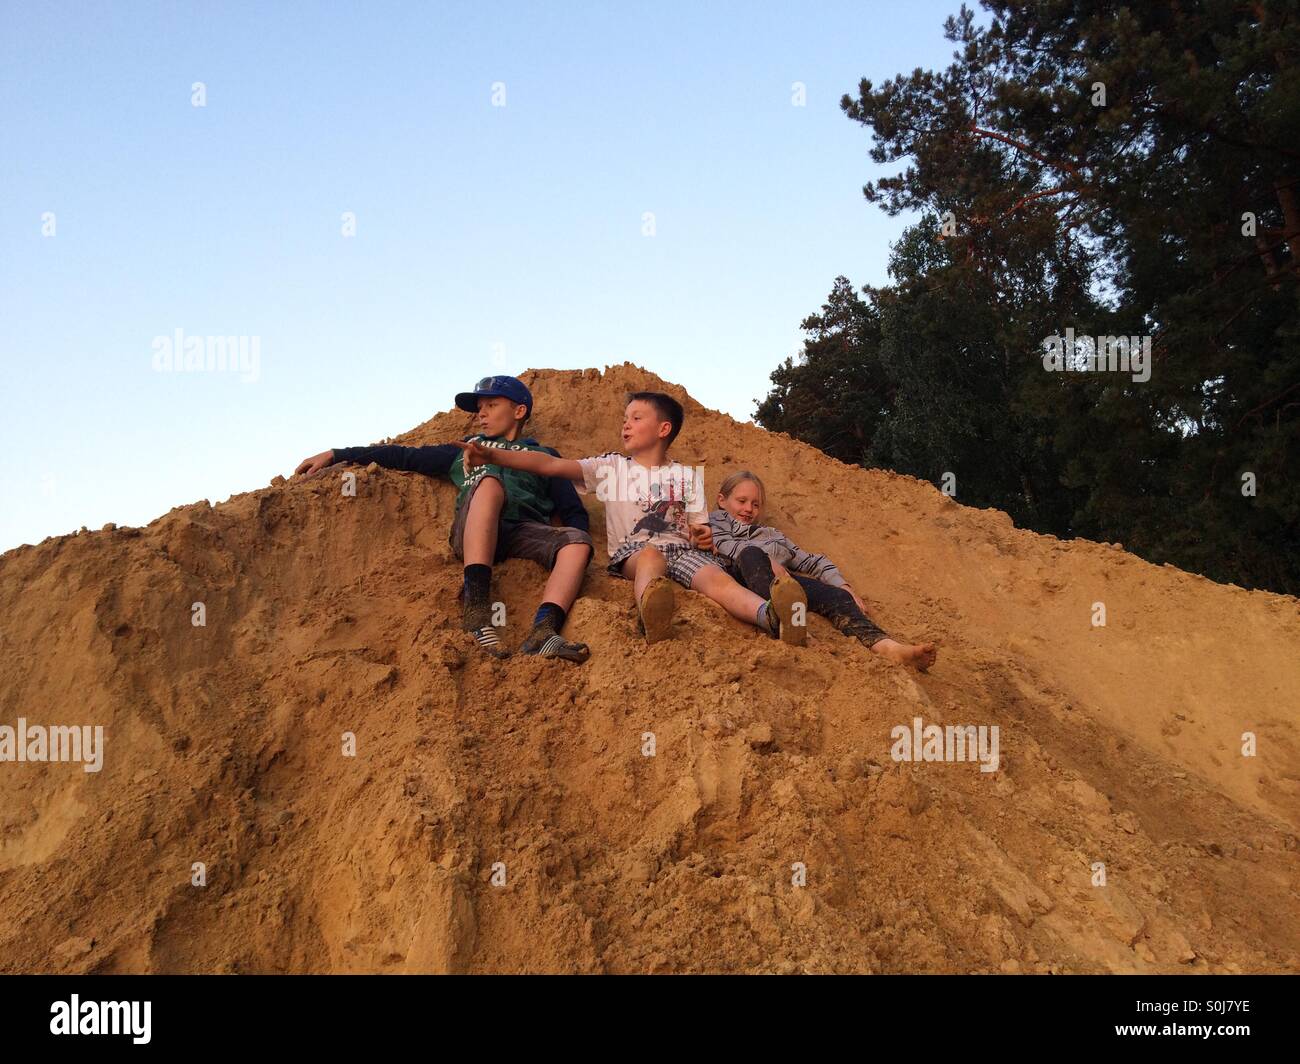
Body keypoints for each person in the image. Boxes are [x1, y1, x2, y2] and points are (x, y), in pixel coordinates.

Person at [454, 392, 805, 645]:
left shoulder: (687, 476)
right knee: (651, 558)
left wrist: (703, 537)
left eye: (636, 418)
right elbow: (549, 465)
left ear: (663, 428)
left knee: (715, 578)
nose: (626, 424)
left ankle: (770, 616)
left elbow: (701, 528)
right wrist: (494, 456)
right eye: (625, 419)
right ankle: (651, 614)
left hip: (684, 552)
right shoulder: (611, 467)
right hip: (634, 552)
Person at [293, 375, 594, 661]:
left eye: (491, 406)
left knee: (577, 542)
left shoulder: (539, 454)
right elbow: (403, 455)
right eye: (479, 409)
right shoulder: (466, 447)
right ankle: (477, 614)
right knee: (489, 482)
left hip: (522, 532)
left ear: (519, 410)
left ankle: (544, 631)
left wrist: (580, 554)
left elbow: (572, 511)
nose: (482, 414)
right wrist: (337, 453)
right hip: (473, 530)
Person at [710, 470, 937, 670]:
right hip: (741, 577)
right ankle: (796, 630)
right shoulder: (716, 521)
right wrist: (767, 560)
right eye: (741, 501)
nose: (749, 509)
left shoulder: (772, 535)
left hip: (784, 585)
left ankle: (887, 647)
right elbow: (720, 544)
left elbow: (812, 561)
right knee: (752, 555)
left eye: (756, 504)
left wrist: (843, 585)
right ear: (722, 500)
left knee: (835, 596)